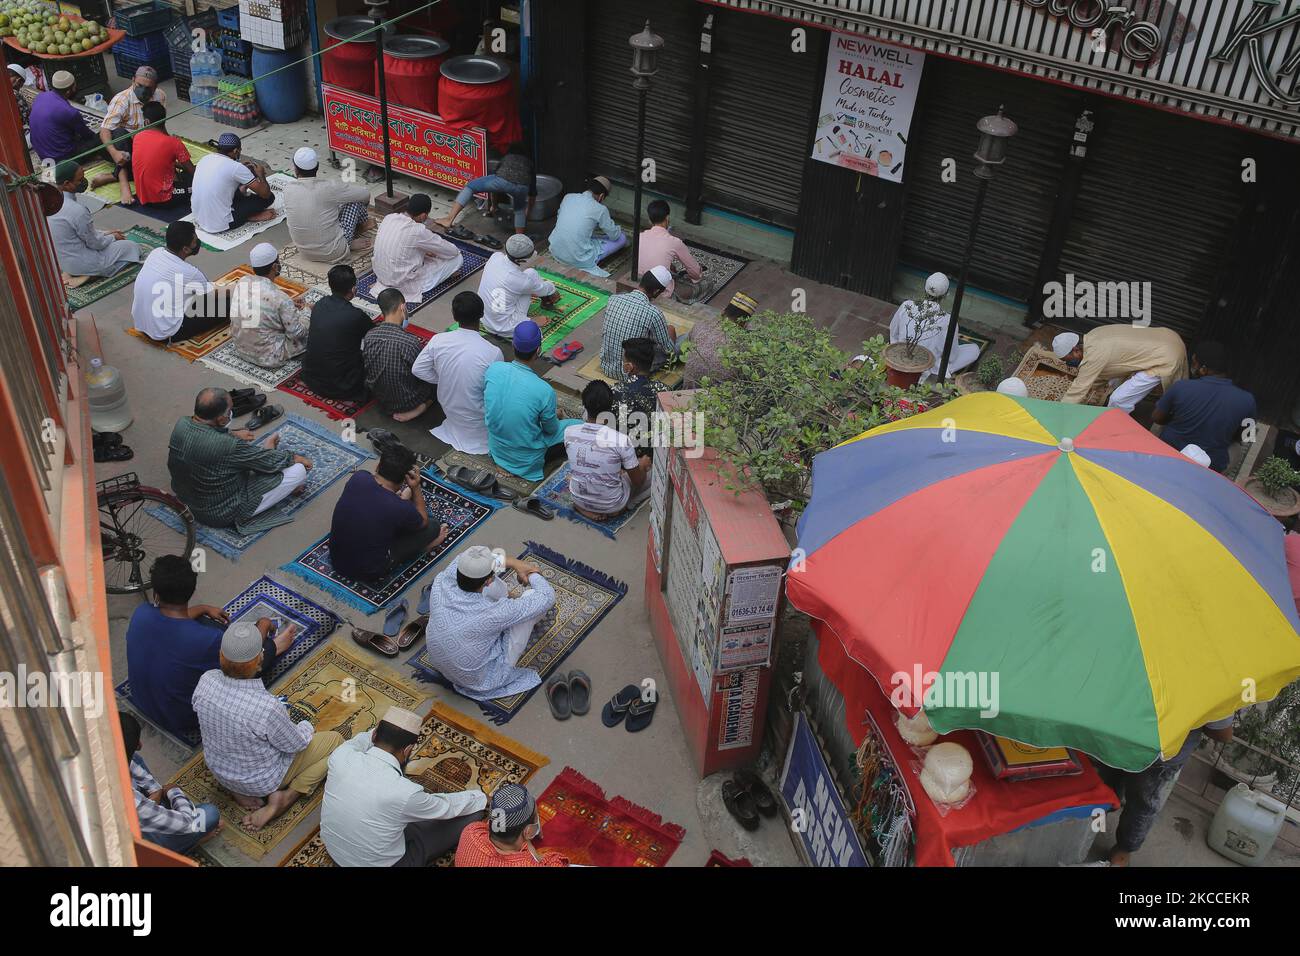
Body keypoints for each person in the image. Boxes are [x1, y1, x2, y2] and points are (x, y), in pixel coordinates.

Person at [125, 555, 298, 739]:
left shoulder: (141, 613)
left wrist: (202, 608)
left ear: (156, 594)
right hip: (184, 718)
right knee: (244, 664)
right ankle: (274, 647)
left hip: (142, 700)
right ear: (191, 591)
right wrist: (263, 625)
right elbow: (244, 654)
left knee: (203, 624)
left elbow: (173, 615)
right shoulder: (208, 639)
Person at [192, 623, 344, 831]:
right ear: (260, 660)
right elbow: (296, 745)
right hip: (262, 780)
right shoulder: (266, 707)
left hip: (220, 770)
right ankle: (287, 796)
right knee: (337, 743)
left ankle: (238, 790)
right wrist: (305, 725)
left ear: (221, 655)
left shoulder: (206, 680)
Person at [321, 705, 487, 867]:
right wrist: (481, 797)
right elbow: (446, 807)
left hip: (335, 852)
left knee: (398, 817)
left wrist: (385, 730)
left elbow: (361, 740)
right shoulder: (405, 793)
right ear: (408, 750)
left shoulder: (341, 755)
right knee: (472, 814)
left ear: (375, 735)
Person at [423, 545, 556, 702]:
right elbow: (547, 596)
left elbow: (474, 560)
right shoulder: (495, 613)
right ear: (487, 580)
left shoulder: (441, 581)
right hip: (480, 680)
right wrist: (531, 572)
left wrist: (515, 563)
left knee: (494, 590)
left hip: (440, 664)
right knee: (531, 596)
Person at [168, 387, 312, 529]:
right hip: (220, 513)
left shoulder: (182, 423)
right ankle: (280, 487)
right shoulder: (228, 445)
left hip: (186, 501)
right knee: (298, 470)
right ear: (222, 419)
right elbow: (266, 461)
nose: (231, 413)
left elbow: (203, 437)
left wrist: (232, 434)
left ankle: (271, 462)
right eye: (230, 410)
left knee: (244, 459)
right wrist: (294, 457)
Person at [1098, 717, 1235, 867]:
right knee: (1142, 805)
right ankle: (1121, 852)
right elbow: (1223, 733)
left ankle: (1092, 828)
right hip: (1162, 754)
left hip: (1119, 735)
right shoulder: (1212, 692)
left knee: (1104, 784)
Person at [329, 445, 449, 581]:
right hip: (370, 571)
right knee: (432, 526)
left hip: (336, 560)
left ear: (378, 466)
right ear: (405, 478)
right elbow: (424, 522)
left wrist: (399, 500)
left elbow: (373, 502)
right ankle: (424, 549)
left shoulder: (359, 477)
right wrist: (415, 488)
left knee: (384, 519)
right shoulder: (400, 508)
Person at [483, 321, 582, 481]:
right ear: (538, 350)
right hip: (525, 459)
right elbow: (551, 430)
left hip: (497, 448)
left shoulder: (494, 369)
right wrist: (555, 416)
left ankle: (502, 461)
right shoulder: (544, 390)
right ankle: (517, 465)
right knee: (579, 426)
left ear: (513, 344)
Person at [411, 291, 503, 454]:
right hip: (480, 424)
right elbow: (498, 396)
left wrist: (443, 378)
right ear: (482, 314)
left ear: (454, 316)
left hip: (451, 413)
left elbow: (418, 369)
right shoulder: (493, 352)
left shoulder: (438, 340)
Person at [121, 713, 221, 853]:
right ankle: (180, 848)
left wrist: (156, 791)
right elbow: (188, 823)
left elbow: (129, 762)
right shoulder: (134, 803)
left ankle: (163, 812)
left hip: (136, 811)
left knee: (136, 760)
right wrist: (175, 792)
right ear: (139, 745)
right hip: (134, 833)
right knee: (210, 813)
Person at [1151, 340, 1255, 473]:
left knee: (1160, 419)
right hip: (1211, 464)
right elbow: (1246, 436)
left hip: (1169, 452)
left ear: (1203, 368)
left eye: (1194, 362)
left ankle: (1152, 453)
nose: (1192, 366)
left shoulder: (1181, 386)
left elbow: (1156, 417)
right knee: (1237, 448)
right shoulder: (1248, 400)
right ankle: (1219, 480)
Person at [565, 380, 651, 522]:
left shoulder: (569, 432)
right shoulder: (621, 440)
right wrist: (642, 465)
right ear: (609, 409)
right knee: (652, 474)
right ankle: (620, 508)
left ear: (584, 406)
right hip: (613, 505)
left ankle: (582, 507)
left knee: (578, 475)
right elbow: (638, 481)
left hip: (579, 498)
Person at [132, 220, 229, 342]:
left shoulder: (155, 253)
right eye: (195, 241)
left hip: (143, 324)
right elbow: (214, 294)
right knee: (230, 303)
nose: (197, 242)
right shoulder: (190, 273)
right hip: (167, 332)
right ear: (186, 249)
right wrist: (238, 287)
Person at [1055, 325, 1188, 411]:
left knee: (1118, 400)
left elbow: (1078, 389)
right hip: (1168, 336)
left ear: (1075, 350)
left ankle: (1113, 428)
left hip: (1165, 357)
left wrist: (1059, 412)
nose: (1069, 364)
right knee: (1115, 383)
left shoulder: (1094, 357)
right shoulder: (1094, 334)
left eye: (1068, 360)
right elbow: (1101, 374)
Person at [45, 160, 140, 278]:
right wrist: (112, 237)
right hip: (83, 264)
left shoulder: (49, 203)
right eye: (80, 180)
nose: (84, 182)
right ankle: (96, 274)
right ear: (67, 184)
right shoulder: (77, 210)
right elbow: (95, 243)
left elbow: (77, 234)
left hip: (63, 263)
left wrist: (105, 233)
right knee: (131, 247)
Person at [282, 146, 373, 263]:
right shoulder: (329, 187)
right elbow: (365, 194)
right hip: (334, 252)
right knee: (353, 201)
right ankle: (353, 237)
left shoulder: (288, 189)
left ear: (295, 169)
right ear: (317, 167)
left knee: (328, 207)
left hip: (305, 252)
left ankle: (348, 237)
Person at [372, 193, 463, 304]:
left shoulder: (389, 218)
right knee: (457, 259)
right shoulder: (417, 230)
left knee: (425, 253)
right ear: (423, 216)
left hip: (382, 275)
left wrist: (424, 251)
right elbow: (452, 251)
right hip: (402, 284)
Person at [231, 242, 310, 368]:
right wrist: (307, 311)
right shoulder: (280, 298)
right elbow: (297, 333)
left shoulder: (243, 282)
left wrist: (289, 304)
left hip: (241, 350)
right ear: (275, 266)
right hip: (269, 358)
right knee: (313, 330)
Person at [301, 264, 372, 402]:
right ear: (353, 289)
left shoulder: (320, 304)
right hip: (342, 386)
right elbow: (376, 335)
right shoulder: (356, 315)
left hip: (312, 378)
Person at [363, 288, 435, 422]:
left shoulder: (370, 336)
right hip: (409, 401)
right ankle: (422, 408)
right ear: (403, 307)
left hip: (381, 400)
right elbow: (422, 373)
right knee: (438, 378)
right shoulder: (410, 342)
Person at [455, 783, 568, 867]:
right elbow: (557, 862)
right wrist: (536, 856)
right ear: (528, 831)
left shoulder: (471, 831)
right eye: (536, 816)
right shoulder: (526, 864)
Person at [98, 65, 167, 205]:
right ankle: (124, 183)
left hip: (146, 143)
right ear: (133, 81)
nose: (143, 90)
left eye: (148, 87)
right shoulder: (121, 100)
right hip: (123, 147)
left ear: (155, 87)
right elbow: (104, 131)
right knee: (119, 133)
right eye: (139, 85)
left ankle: (112, 176)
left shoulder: (160, 96)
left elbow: (160, 125)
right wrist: (114, 153)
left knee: (158, 168)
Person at [889, 273, 978, 380]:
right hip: (929, 366)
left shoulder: (906, 305)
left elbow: (893, 334)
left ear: (924, 288)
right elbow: (951, 357)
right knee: (974, 349)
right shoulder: (948, 320)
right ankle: (941, 372)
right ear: (946, 295)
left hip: (900, 356)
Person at [435, 142, 536, 235]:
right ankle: (519, 238)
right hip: (522, 187)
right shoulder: (530, 164)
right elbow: (533, 193)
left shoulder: (507, 158)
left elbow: (494, 187)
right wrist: (528, 213)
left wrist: (493, 206)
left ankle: (449, 219)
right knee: (519, 211)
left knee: (470, 187)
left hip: (502, 180)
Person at [599, 266, 678, 379]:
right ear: (656, 291)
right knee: (681, 340)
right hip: (630, 373)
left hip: (607, 367)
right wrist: (671, 333)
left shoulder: (613, 299)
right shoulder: (654, 313)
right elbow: (669, 350)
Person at [190, 132, 275, 233]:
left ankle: (242, 208)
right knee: (269, 198)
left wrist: (242, 172)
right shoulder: (236, 167)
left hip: (199, 216)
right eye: (239, 151)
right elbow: (265, 194)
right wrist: (260, 174)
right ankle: (249, 217)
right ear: (235, 150)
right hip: (221, 224)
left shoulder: (205, 159)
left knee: (235, 190)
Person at [28, 70, 110, 174]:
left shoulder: (41, 97)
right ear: (68, 91)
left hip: (43, 155)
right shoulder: (70, 112)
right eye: (74, 86)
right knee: (102, 135)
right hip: (62, 160)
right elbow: (88, 135)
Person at [477, 233, 558, 336]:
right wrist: (553, 289)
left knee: (530, 274)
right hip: (503, 327)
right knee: (532, 277)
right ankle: (530, 320)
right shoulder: (521, 281)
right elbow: (544, 289)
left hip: (483, 317)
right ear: (522, 260)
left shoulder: (495, 257)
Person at [547, 175, 625, 278]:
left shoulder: (568, 197)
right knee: (622, 238)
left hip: (556, 250)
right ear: (601, 196)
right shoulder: (600, 209)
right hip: (578, 258)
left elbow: (560, 217)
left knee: (588, 235)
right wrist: (618, 229)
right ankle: (590, 258)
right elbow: (614, 235)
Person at [682, 291, 758, 389]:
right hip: (715, 399)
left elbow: (687, 348)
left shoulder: (701, 325)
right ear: (745, 324)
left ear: (722, 311)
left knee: (685, 338)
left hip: (687, 389)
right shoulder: (744, 346)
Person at [638, 199, 710, 303]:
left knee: (673, 273)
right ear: (667, 218)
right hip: (661, 293)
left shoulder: (640, 236)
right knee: (708, 282)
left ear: (650, 220)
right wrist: (698, 275)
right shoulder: (674, 242)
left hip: (639, 285)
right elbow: (695, 273)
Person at [131, 101, 193, 208]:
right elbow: (192, 171)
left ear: (146, 122)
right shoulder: (174, 142)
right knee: (200, 183)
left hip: (142, 196)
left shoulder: (138, 137)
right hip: (163, 199)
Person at [611, 337, 667, 457]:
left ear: (630, 367)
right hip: (655, 457)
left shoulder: (615, 391)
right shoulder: (664, 391)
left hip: (622, 457)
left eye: (623, 361)